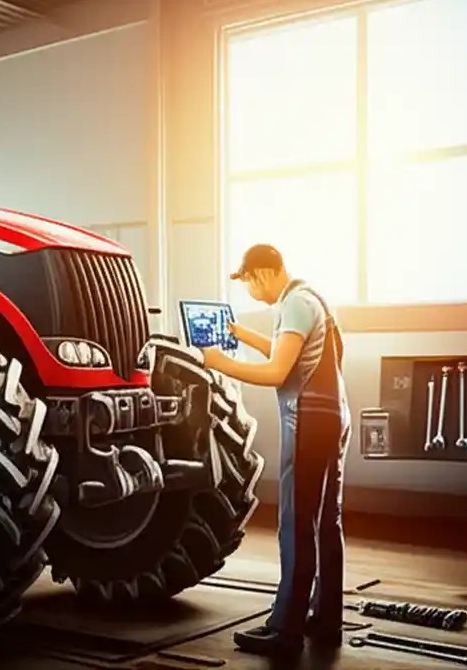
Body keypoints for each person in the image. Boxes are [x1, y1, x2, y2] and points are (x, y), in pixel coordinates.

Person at [199, 243, 350, 657]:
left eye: (247, 280)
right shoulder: (310, 298)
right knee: (324, 522)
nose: (248, 289)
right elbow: (288, 353)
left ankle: (285, 630)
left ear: (262, 273)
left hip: (309, 424)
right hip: (331, 417)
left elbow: (277, 372)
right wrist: (240, 334)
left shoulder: (295, 304)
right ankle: (324, 620)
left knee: (296, 524)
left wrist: (217, 362)